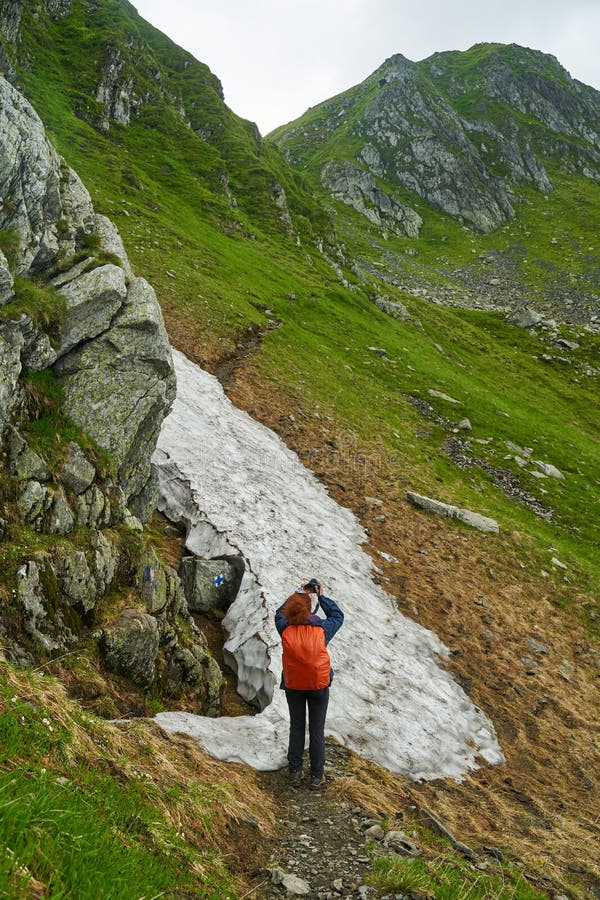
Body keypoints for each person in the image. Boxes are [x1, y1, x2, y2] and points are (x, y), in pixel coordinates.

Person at [275, 580, 344, 790]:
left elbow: (279, 612)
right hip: (318, 685)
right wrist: (321, 596)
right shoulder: (321, 629)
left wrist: (299, 592)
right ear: (310, 609)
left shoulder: (285, 628)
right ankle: (316, 776)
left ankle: (295, 771)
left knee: (296, 727)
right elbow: (338, 616)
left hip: (294, 685)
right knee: (316, 729)